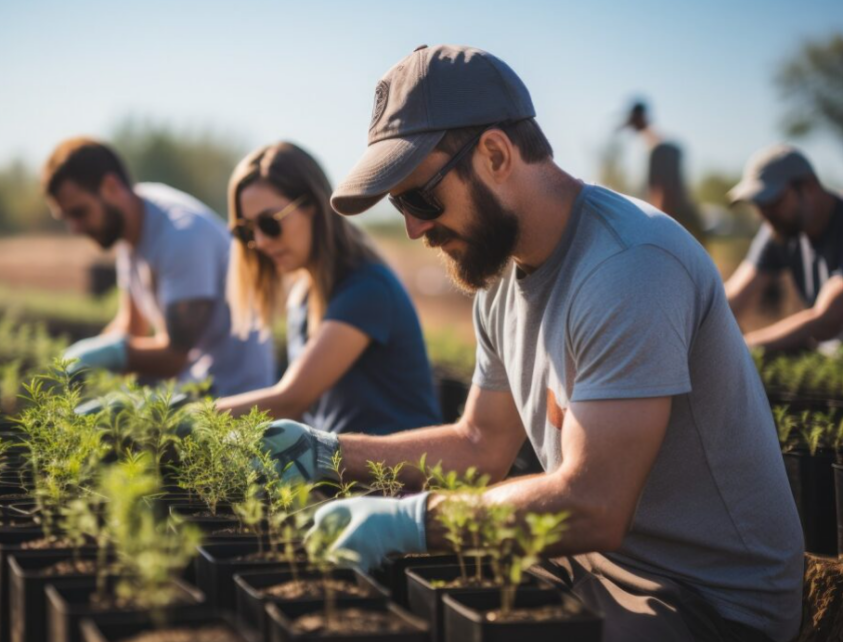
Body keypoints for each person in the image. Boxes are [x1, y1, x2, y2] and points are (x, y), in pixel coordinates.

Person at [259, 45, 802, 642]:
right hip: (590, 563)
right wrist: (328, 454)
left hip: (707, 602)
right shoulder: (498, 283)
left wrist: (412, 519)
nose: (413, 228)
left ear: (494, 155)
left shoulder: (629, 266)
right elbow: (480, 443)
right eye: (398, 205)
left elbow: (595, 503)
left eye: (420, 197)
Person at [214, 142, 441, 436]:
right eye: (246, 231)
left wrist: (187, 419)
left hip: (397, 476)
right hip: (345, 473)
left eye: (270, 224)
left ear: (313, 207)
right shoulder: (303, 295)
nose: (261, 242)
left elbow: (290, 400)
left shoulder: (366, 289)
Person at [41, 137, 275, 396]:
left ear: (110, 187)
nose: (74, 228)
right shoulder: (128, 226)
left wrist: (103, 356)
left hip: (239, 399)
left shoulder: (181, 235)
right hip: (193, 391)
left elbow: (173, 357)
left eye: (80, 212)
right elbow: (132, 326)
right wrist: (80, 359)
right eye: (67, 218)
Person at [724, 144, 843, 350]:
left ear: (809, 188)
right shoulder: (779, 226)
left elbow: (826, 320)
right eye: (759, 205)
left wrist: (739, 350)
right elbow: (734, 297)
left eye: (773, 201)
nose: (765, 214)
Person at [625, 101, 706, 244]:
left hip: (674, 216)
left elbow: (662, 188)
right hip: (684, 212)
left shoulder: (657, 148)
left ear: (639, 118)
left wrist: (660, 225)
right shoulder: (656, 143)